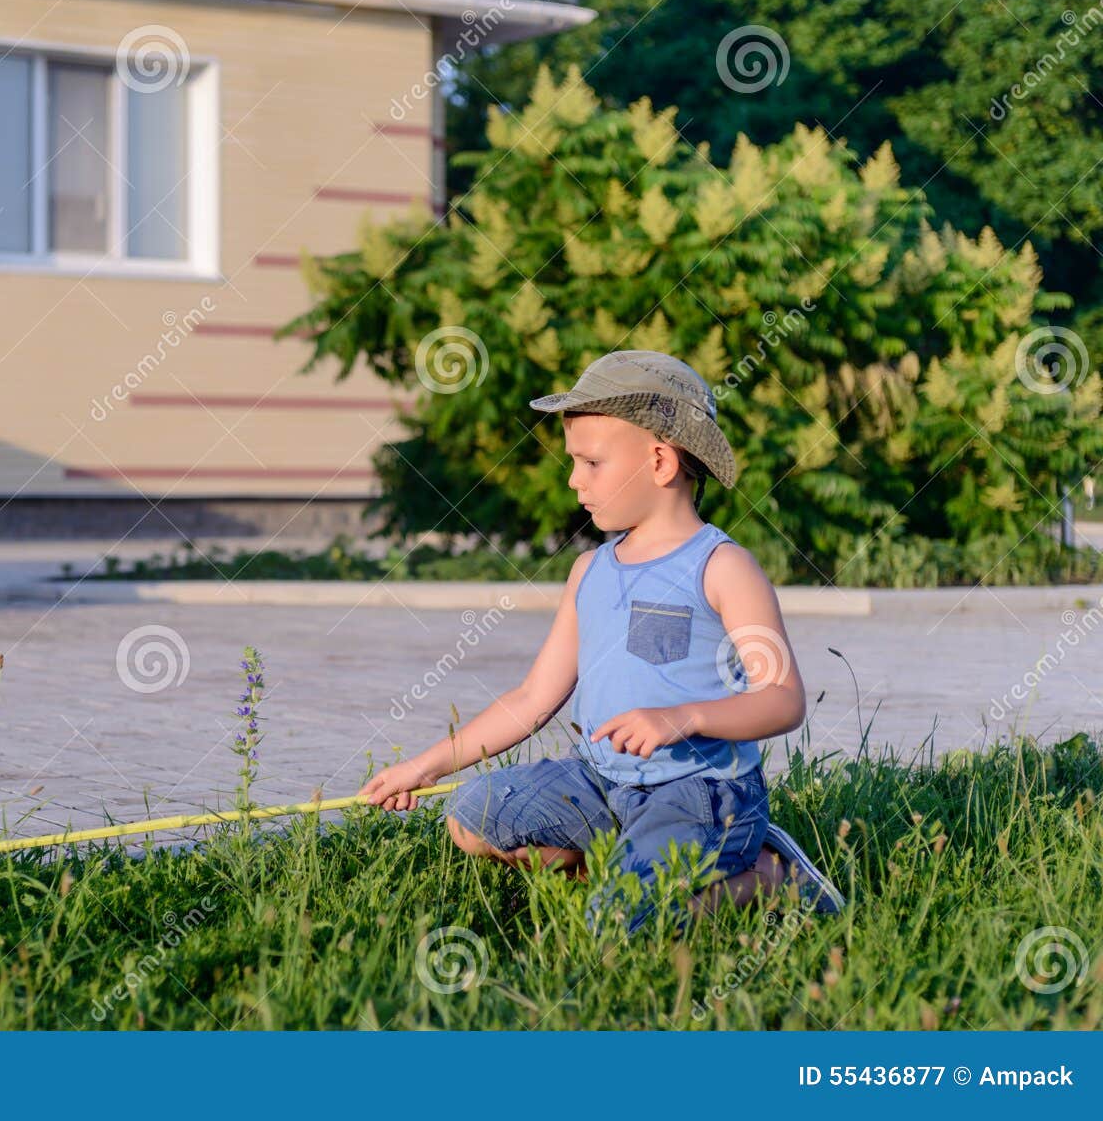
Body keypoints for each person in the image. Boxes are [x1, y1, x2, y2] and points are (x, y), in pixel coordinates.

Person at [357, 349, 845, 936]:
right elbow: (534, 697)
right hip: (603, 782)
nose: (572, 480)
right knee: (471, 818)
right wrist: (426, 765)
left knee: (617, 927)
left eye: (591, 462)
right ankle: (626, 868)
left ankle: (770, 877)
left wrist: (683, 717)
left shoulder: (721, 568)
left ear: (660, 461)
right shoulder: (589, 571)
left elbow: (783, 700)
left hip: (700, 792)